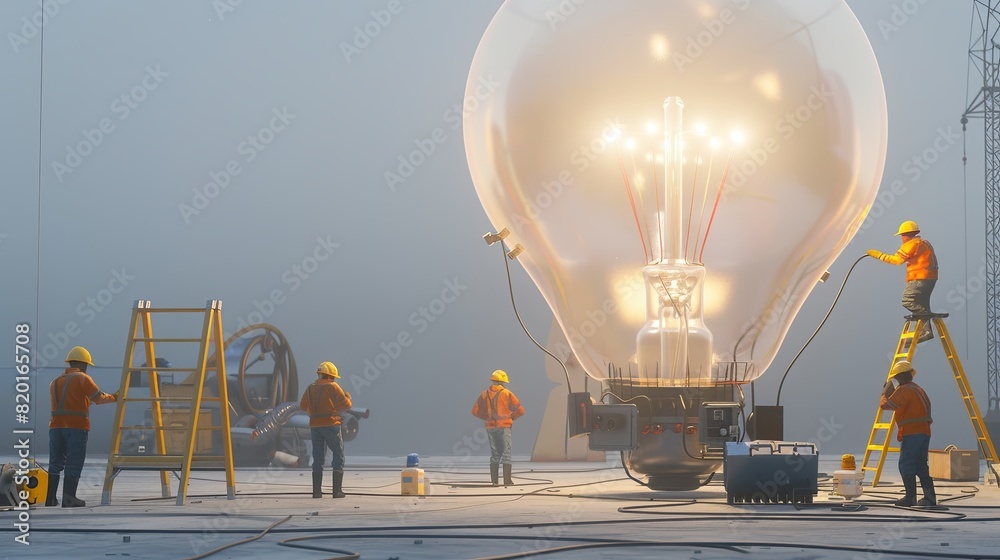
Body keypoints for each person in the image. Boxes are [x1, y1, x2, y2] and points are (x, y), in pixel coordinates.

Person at [46, 346, 117, 507]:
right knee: (74, 462)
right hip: (76, 427)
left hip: (55, 427)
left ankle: (50, 499)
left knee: (55, 462)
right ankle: (69, 499)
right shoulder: (82, 378)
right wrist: (115, 397)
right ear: (83, 364)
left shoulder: (55, 381)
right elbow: (98, 398)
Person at [868, 220, 939, 343]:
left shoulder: (912, 244)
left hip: (919, 277)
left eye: (902, 235)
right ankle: (926, 331)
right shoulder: (924, 243)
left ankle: (926, 317)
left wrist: (878, 255)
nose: (902, 238)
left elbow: (897, 260)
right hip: (931, 278)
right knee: (922, 305)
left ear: (908, 234)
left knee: (907, 300)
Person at [879, 360, 936, 506]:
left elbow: (886, 405)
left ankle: (910, 498)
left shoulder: (904, 390)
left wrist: (885, 391)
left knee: (906, 464)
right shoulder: (919, 389)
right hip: (924, 432)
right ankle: (930, 499)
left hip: (912, 432)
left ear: (901, 376)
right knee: (921, 464)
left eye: (896, 378)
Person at [299, 361, 352, 498]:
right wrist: (348, 397)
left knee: (317, 458)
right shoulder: (333, 387)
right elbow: (345, 405)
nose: (333, 379)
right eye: (333, 377)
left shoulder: (310, 387)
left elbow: (302, 405)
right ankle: (337, 491)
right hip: (331, 425)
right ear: (329, 376)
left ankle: (316, 492)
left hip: (315, 426)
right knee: (338, 454)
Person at [471, 369, 525, 486]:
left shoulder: (484, 394)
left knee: (495, 453)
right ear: (503, 382)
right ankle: (507, 481)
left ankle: (494, 481)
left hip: (491, 427)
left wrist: (486, 417)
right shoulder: (507, 393)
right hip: (504, 427)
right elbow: (521, 410)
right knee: (506, 452)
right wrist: (511, 418)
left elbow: (475, 411)